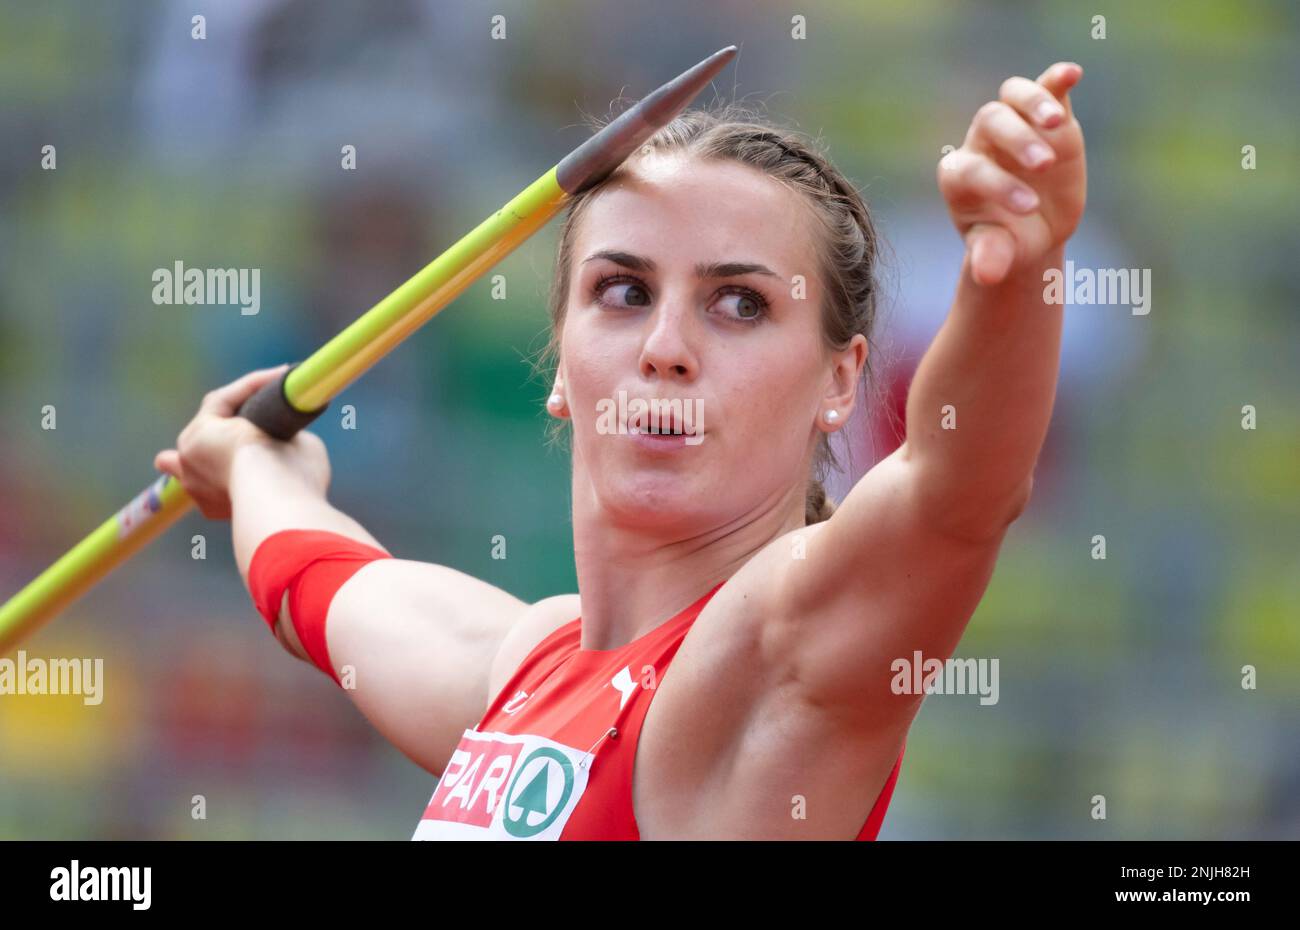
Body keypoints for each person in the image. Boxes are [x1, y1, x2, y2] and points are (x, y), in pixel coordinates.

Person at [154, 62, 1087, 839]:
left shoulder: (775, 653)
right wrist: (248, 466)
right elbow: (323, 586)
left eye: (740, 304)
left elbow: (956, 491)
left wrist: (1015, 272)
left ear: (840, 381)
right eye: (624, 291)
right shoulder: (522, 672)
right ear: (560, 362)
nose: (665, 345)